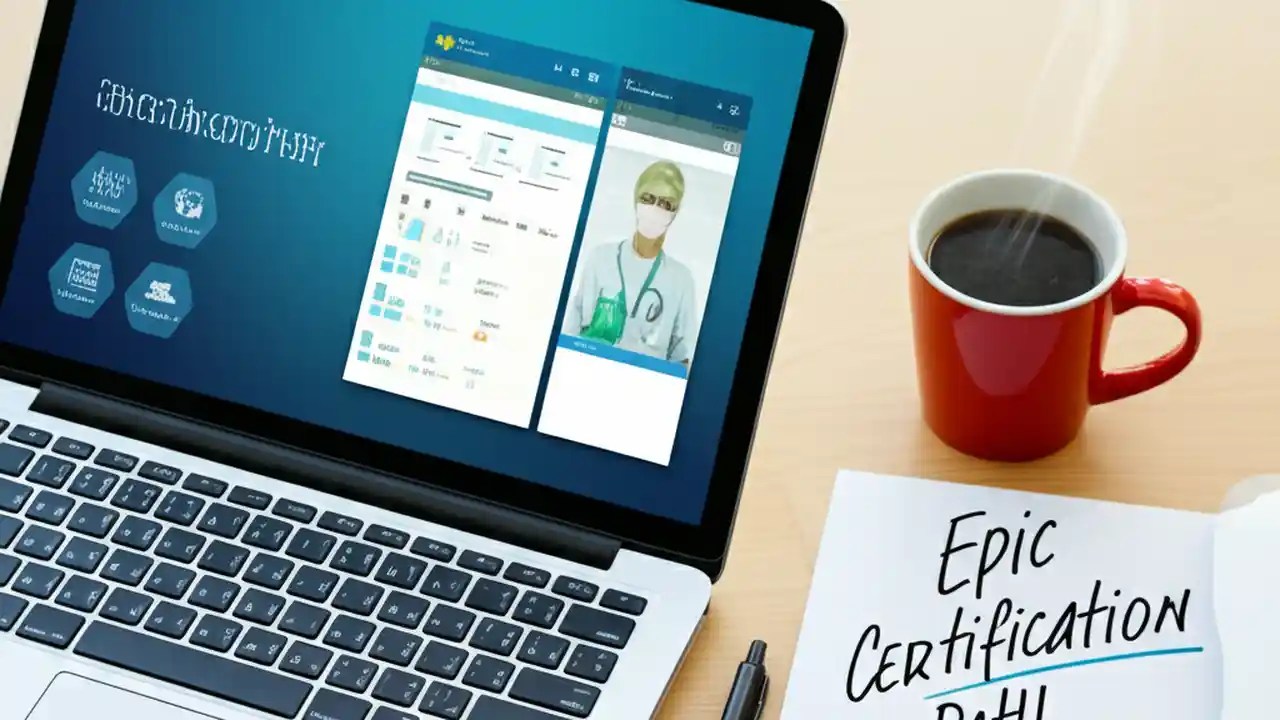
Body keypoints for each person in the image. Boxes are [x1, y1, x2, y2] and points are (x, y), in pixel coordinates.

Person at [564, 160, 699, 366]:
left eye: (665, 203)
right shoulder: (601, 258)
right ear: (636, 200)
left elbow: (682, 358)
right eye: (648, 198)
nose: (655, 208)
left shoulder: (680, 280)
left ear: (675, 212)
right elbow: (572, 330)